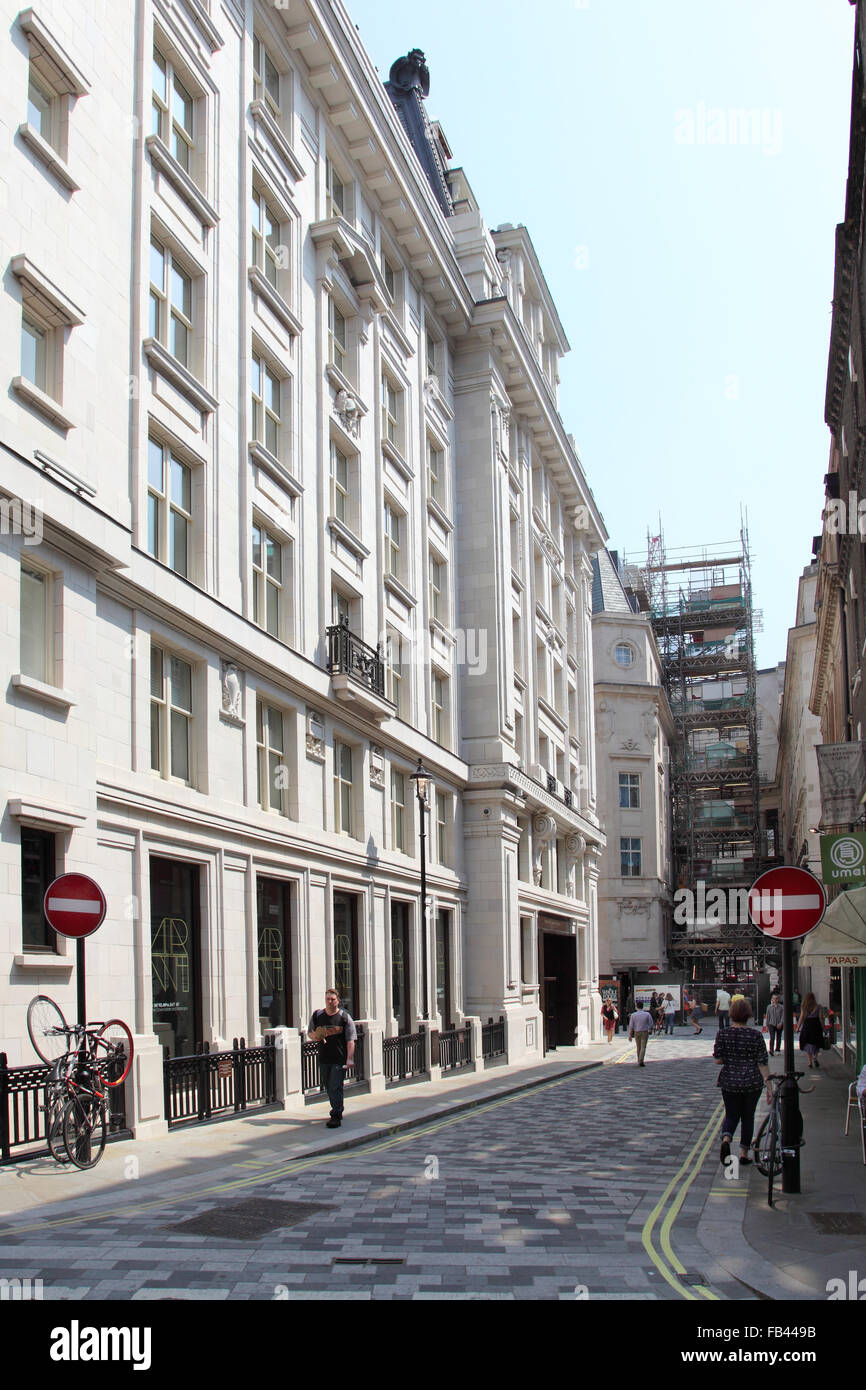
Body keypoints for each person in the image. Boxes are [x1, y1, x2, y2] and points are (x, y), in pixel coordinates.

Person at [713, 996, 772, 1168]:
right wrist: (770, 1087)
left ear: (731, 1014)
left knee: (731, 1114)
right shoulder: (755, 1035)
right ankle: (744, 1153)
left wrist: (730, 1059)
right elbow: (763, 1063)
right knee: (748, 1117)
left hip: (729, 1081)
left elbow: (718, 1060)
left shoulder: (723, 1034)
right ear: (748, 1015)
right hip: (752, 1082)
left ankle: (726, 1138)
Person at [307, 988, 357, 1127]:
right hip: (324, 1058)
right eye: (328, 999)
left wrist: (350, 1058)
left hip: (339, 1058)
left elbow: (351, 1040)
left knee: (335, 1086)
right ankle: (338, 1108)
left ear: (338, 1001)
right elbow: (310, 1032)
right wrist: (315, 1036)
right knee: (328, 1086)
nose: (330, 1002)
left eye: (333, 999)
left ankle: (335, 1114)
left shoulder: (344, 1017)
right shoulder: (318, 1015)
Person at [796, 992, 825, 1069]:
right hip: (816, 1026)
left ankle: (809, 1062)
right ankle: (815, 1058)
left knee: (807, 1043)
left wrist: (797, 1027)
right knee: (816, 1043)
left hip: (807, 1026)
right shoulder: (818, 1007)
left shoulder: (804, 1007)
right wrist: (824, 1028)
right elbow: (821, 1019)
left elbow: (801, 1018)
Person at [628, 1000, 655, 1066]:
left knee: (638, 1047)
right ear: (643, 1007)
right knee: (643, 1047)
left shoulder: (633, 1015)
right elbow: (651, 1024)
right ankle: (641, 1060)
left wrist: (630, 1035)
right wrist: (650, 1030)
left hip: (636, 1032)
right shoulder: (647, 1014)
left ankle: (639, 1059)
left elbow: (631, 1026)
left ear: (637, 1007)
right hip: (644, 1032)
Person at [764, 992, 784, 1056]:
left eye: (776, 998)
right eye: (774, 998)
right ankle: (771, 1050)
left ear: (778, 999)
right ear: (772, 999)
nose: (775, 1000)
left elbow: (783, 1016)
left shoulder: (781, 1007)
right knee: (772, 1037)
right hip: (771, 1024)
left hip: (779, 1024)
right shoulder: (769, 1007)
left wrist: (781, 1023)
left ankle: (777, 1049)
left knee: (779, 1037)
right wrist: (766, 1025)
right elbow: (768, 1016)